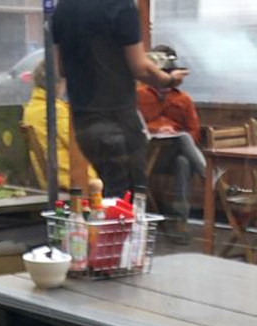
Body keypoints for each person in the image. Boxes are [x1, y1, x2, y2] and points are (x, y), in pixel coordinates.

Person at [52, 0, 188, 198]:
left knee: (113, 192)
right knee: (130, 199)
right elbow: (141, 67)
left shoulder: (63, 7)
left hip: (83, 123)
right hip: (117, 119)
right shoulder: (121, 5)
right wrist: (170, 80)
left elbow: (62, 69)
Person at [136, 43, 206, 242]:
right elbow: (135, 125)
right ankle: (210, 176)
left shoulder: (184, 99)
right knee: (183, 141)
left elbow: (194, 130)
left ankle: (180, 223)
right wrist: (158, 129)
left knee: (183, 160)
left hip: (173, 155)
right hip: (148, 155)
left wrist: (176, 137)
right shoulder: (139, 95)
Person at [22, 59, 97, 192]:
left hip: (52, 181)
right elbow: (80, 145)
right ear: (57, 84)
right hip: (72, 181)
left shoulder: (30, 109)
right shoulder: (55, 110)